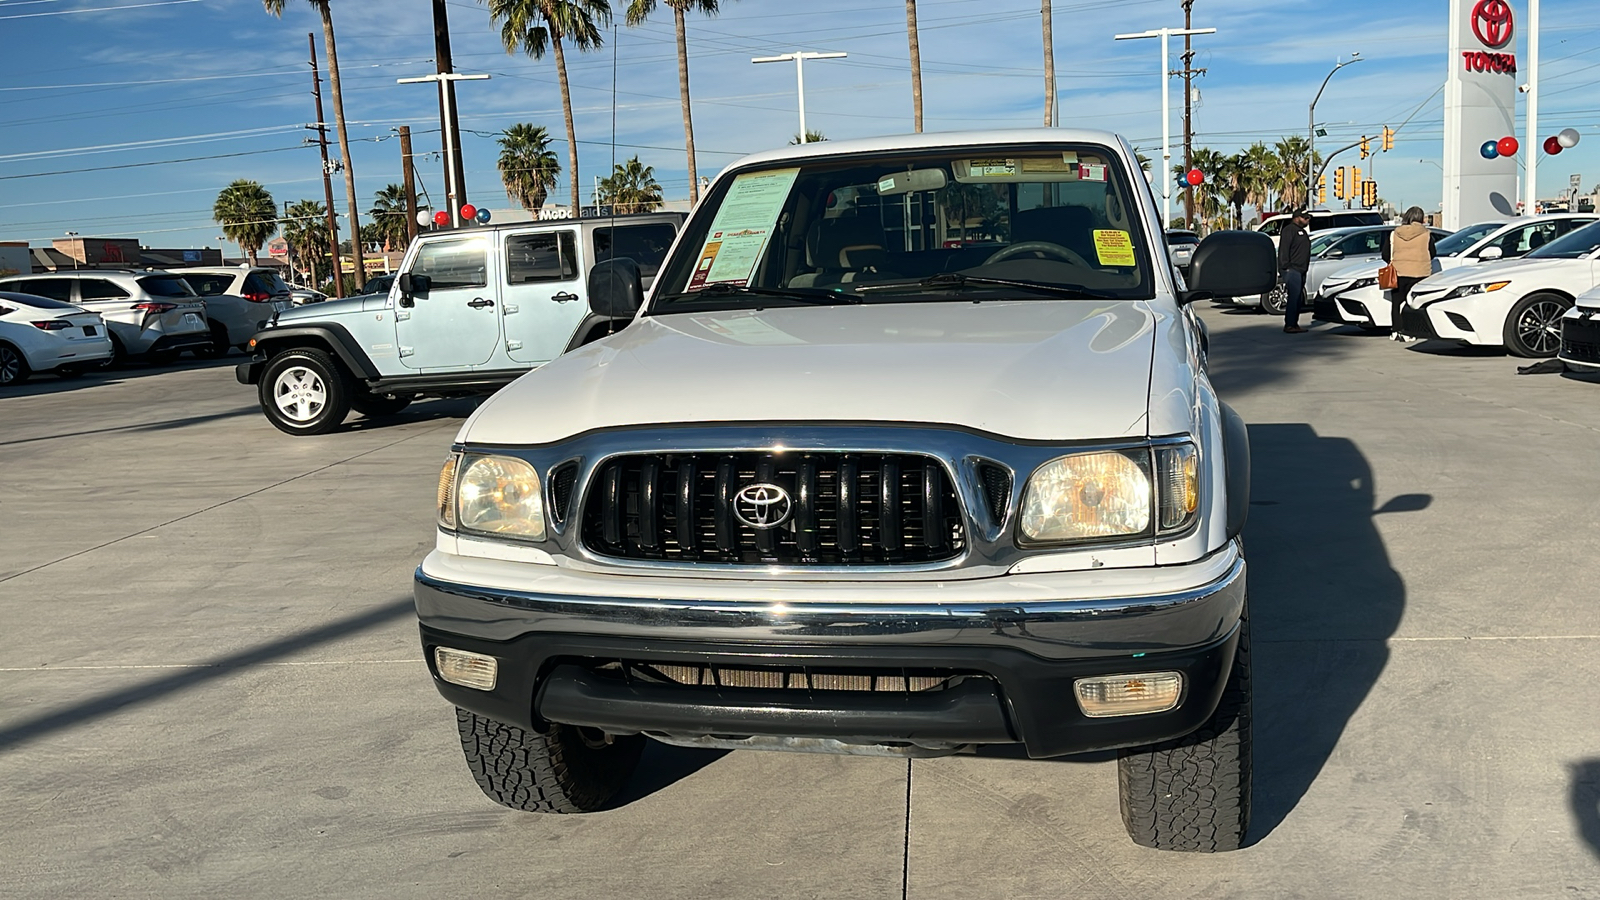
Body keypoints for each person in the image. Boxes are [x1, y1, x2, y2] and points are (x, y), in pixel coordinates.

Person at [1382, 206, 1439, 342]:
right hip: (1420, 272)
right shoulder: (1427, 234)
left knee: (1396, 303)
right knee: (1413, 303)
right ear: (1421, 218)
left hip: (1398, 272)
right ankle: (1409, 331)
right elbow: (1432, 253)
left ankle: (1396, 330)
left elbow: (1385, 254)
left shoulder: (1395, 234)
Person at [1278, 208, 1312, 334]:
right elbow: (1284, 249)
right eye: (1305, 218)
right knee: (1294, 297)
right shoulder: (1289, 230)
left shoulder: (1302, 231)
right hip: (1292, 269)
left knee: (1298, 298)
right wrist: (1285, 266)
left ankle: (1294, 324)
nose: (1307, 220)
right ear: (1296, 218)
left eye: (1308, 218)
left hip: (1301, 269)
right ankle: (1289, 324)